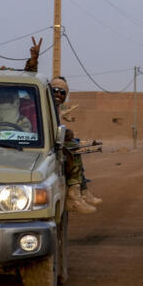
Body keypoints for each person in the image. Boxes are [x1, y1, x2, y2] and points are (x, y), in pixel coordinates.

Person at [51, 77, 99, 213]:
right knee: (72, 149)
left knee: (74, 145)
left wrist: (66, 131)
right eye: (54, 90)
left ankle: (81, 190)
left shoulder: (56, 108)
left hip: (53, 140)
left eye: (62, 92)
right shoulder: (43, 106)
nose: (58, 94)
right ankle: (74, 194)